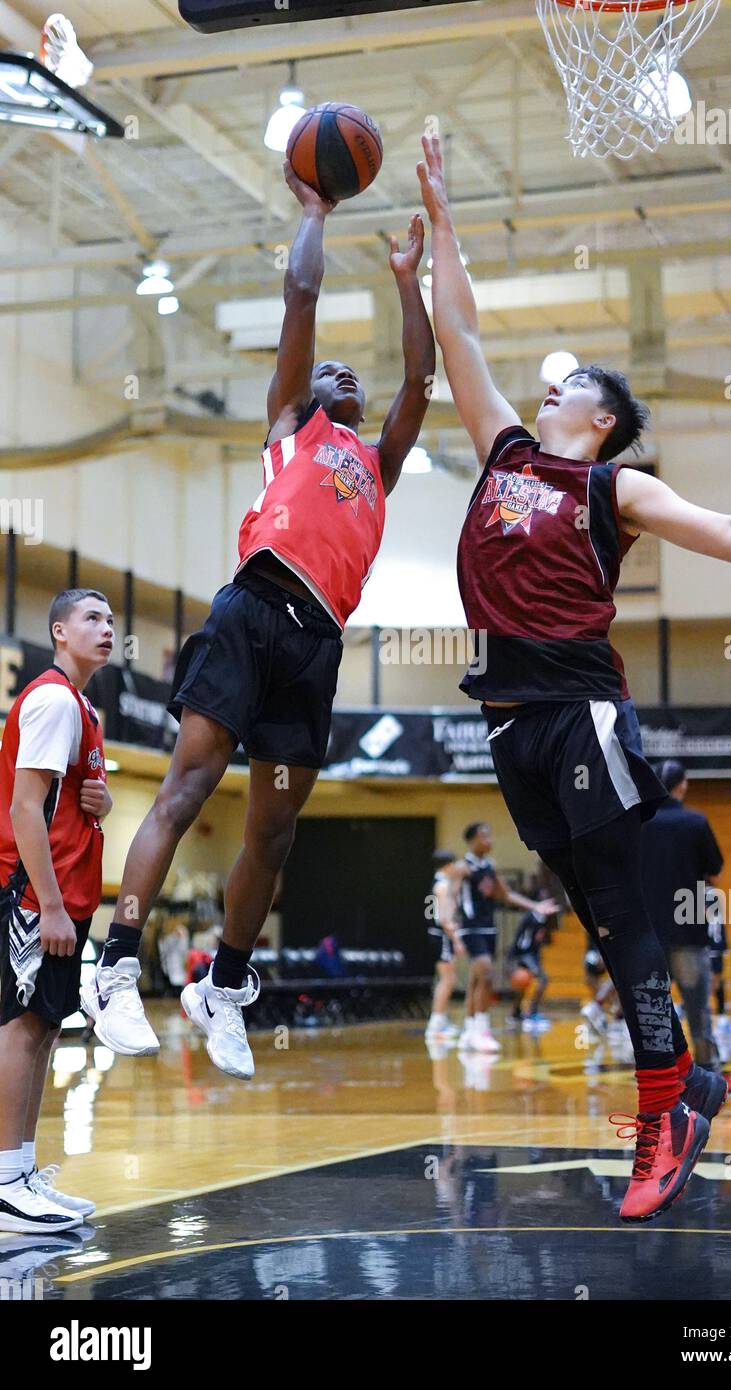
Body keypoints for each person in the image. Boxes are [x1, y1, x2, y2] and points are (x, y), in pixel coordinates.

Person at [417, 132, 731, 1222]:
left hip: (578, 709)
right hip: (506, 722)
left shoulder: (616, 486)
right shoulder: (505, 452)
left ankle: (664, 1115)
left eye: (571, 388)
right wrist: (446, 222)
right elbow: (456, 327)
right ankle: (681, 1073)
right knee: (585, 910)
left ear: (595, 420)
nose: (548, 387)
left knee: (613, 902)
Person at [81, 159, 435, 1080]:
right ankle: (114, 966)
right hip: (254, 612)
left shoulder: (380, 463)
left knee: (273, 832)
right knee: (187, 789)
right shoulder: (292, 427)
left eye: (345, 371)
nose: (336, 369)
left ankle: (223, 984)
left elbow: (422, 382)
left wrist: (408, 283)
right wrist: (314, 212)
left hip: (316, 644)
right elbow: (302, 299)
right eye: (326, 370)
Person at [0, 589, 114, 1233]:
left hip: (61, 896)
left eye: (109, 621)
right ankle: (4, 1184)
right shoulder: (50, 698)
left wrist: (94, 802)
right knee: (20, 1025)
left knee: (43, 1027)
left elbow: (58, 803)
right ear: (58, 632)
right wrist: (46, 903)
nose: (105, 630)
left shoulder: (81, 706)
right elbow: (23, 808)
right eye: (91, 619)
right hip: (33, 894)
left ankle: (19, 1171)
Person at [640, 759, 731, 1097]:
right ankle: (710, 1082)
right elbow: (714, 874)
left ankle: (658, 1084)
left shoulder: (635, 824)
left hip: (648, 935)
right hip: (688, 930)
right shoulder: (695, 822)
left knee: (653, 1014)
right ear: (683, 785)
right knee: (698, 1012)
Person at [452, 823, 557, 1053]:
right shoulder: (463, 867)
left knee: (476, 980)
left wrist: (535, 906)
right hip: (471, 929)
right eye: (484, 836)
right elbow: (453, 897)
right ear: (472, 840)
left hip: (489, 927)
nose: (489, 840)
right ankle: (482, 1029)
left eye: (490, 835)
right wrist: (453, 930)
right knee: (487, 973)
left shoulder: (490, 866)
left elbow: (506, 895)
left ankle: (469, 1031)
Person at [425, 850, 466, 1042]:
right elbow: (443, 918)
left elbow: (432, 913)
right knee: (447, 979)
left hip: (434, 934)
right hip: (441, 935)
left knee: (446, 978)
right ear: (449, 865)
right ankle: (436, 1024)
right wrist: (456, 938)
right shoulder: (442, 885)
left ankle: (439, 1021)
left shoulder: (436, 882)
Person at [507, 909, 551, 1032]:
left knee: (523, 985)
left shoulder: (542, 920)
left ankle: (516, 1012)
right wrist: (513, 960)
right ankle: (532, 1012)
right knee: (543, 979)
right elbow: (521, 943)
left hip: (528, 955)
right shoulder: (530, 918)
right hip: (524, 955)